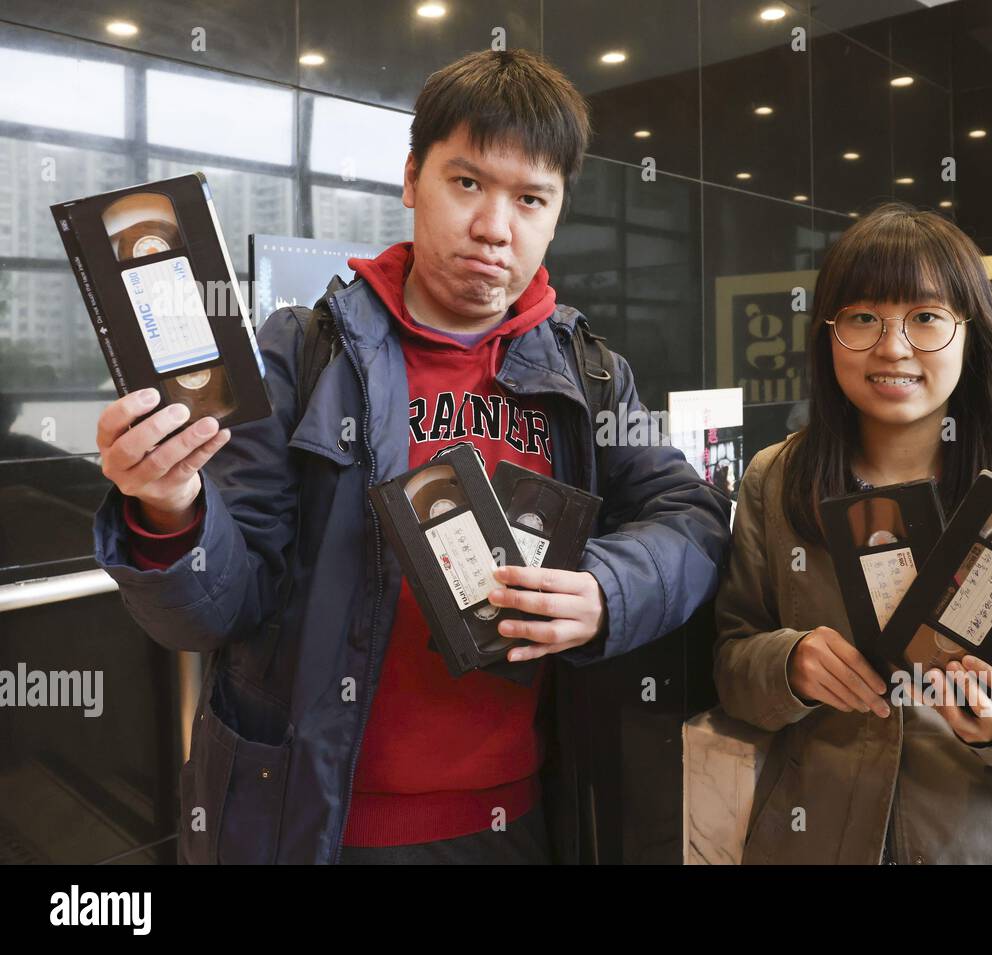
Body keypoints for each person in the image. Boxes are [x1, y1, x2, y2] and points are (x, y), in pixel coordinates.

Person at [91, 48, 731, 865]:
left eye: (530, 198)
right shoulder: (301, 351)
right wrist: (169, 510)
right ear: (410, 179)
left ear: (558, 212)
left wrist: (607, 588)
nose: (496, 227)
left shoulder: (592, 376)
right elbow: (215, 607)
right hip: (308, 826)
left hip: (517, 826)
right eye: (466, 183)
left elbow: (694, 519)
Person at [713, 202, 992, 864]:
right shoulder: (778, 480)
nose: (892, 347)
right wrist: (788, 663)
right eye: (863, 317)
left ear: (970, 333)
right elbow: (730, 659)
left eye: (926, 318)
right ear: (828, 333)